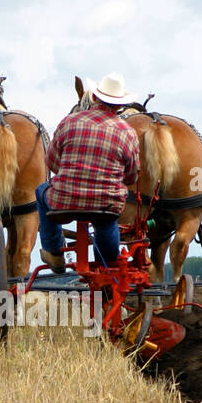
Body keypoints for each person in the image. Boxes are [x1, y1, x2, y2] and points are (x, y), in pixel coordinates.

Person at [36, 72, 140, 270]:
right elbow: (131, 176)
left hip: (63, 201)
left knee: (41, 191)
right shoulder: (128, 132)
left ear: (94, 97)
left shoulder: (69, 122)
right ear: (120, 105)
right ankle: (109, 265)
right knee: (107, 220)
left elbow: (51, 163)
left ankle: (54, 252)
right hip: (105, 204)